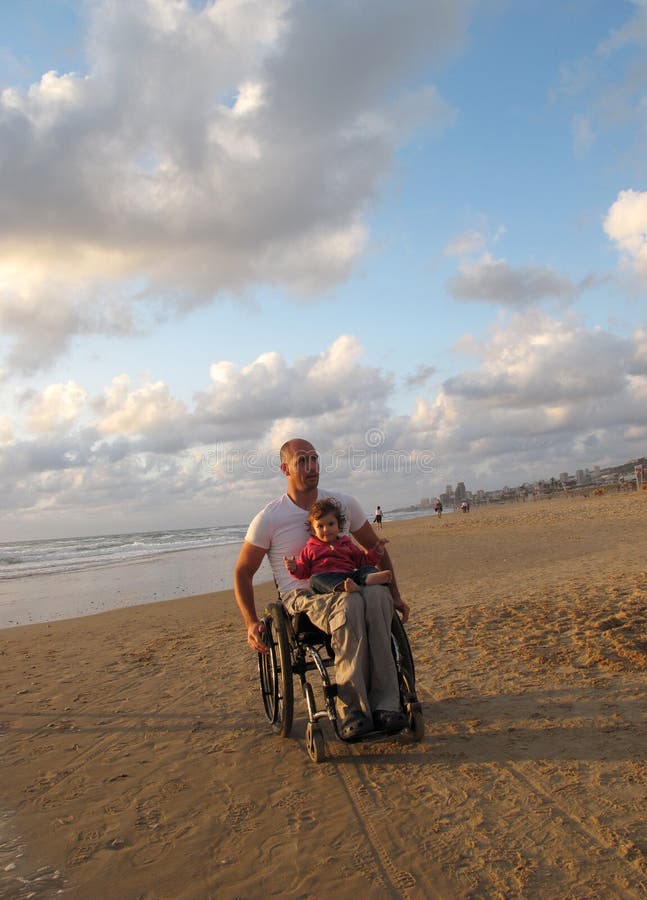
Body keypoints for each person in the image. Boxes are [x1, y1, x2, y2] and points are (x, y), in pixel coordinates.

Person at [234, 438, 410, 740]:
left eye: (314, 458)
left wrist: (394, 594)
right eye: (302, 460)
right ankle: (352, 709)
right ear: (285, 469)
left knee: (377, 596)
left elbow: (374, 550)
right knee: (349, 605)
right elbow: (243, 571)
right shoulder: (269, 517)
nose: (311, 466)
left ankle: (387, 705)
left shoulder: (342, 504)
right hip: (302, 596)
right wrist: (250, 621)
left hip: (350, 582)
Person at [284, 497, 392, 594]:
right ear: (313, 530)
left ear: (339, 525)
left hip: (349, 576)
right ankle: (343, 587)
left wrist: (377, 551)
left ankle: (369, 578)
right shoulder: (310, 548)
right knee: (314, 580)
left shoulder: (346, 544)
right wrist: (295, 568)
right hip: (325, 579)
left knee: (366, 569)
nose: (326, 529)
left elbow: (363, 560)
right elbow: (304, 571)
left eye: (330, 524)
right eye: (320, 526)